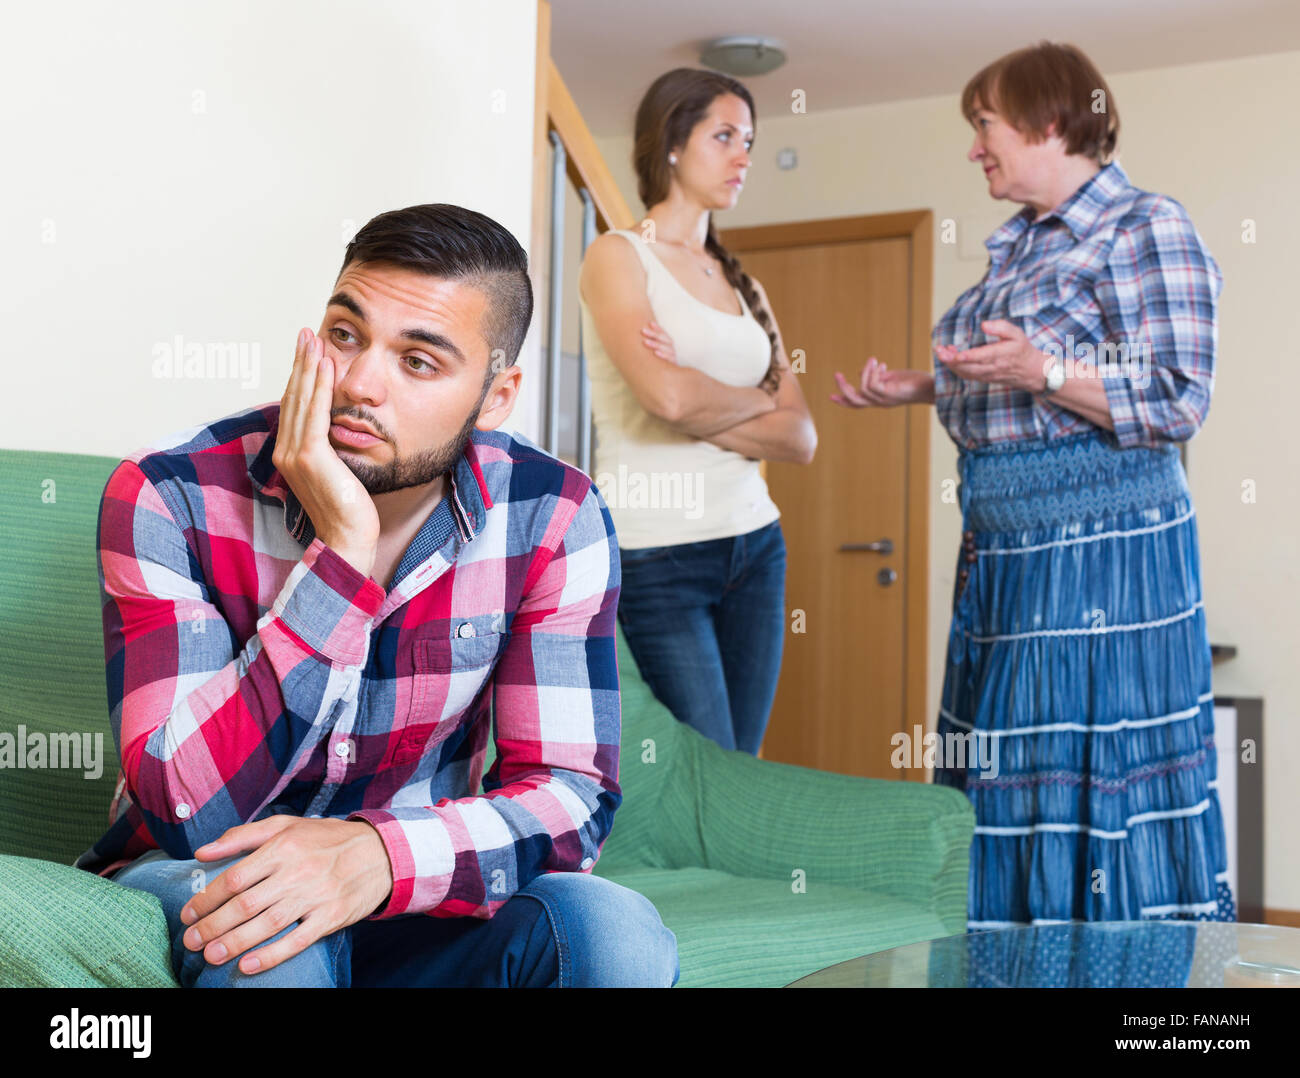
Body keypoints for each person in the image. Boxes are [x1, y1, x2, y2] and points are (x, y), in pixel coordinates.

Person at [75, 203, 679, 987]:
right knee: (272, 939)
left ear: (496, 397)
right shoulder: (168, 497)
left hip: (416, 897)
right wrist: (343, 560)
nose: (358, 384)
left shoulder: (552, 514)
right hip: (213, 877)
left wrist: (378, 858)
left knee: (612, 932)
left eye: (418, 361)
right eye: (344, 334)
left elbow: (568, 799)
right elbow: (185, 813)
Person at [831, 42, 1233, 927]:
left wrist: (1044, 371)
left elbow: (1177, 395)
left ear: (1051, 122)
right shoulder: (1021, 246)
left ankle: (1117, 976)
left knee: (1071, 767)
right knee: (1002, 768)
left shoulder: (1143, 226)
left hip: (1100, 546)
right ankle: (1012, 960)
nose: (976, 147)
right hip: (1006, 548)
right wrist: (918, 385)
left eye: (986, 125)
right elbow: (1018, 372)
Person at [579, 67, 817, 755]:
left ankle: (733, 870)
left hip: (755, 542)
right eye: (724, 136)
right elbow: (664, 398)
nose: (744, 156)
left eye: (748, 139)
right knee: (704, 763)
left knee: (741, 762)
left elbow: (800, 437)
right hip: (661, 551)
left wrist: (696, 398)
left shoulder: (744, 286)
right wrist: (754, 406)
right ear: (674, 145)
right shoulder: (618, 257)